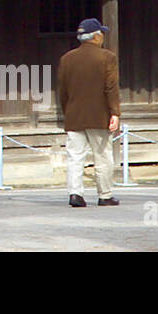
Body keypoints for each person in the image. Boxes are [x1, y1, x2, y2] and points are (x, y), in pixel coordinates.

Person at [56, 16, 122, 207]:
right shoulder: (107, 57)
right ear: (95, 36)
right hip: (99, 115)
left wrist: (66, 112)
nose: (102, 35)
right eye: (101, 32)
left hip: (74, 115)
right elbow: (111, 87)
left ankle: (75, 193)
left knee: (75, 157)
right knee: (102, 156)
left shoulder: (67, 59)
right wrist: (114, 113)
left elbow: (63, 91)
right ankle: (105, 194)